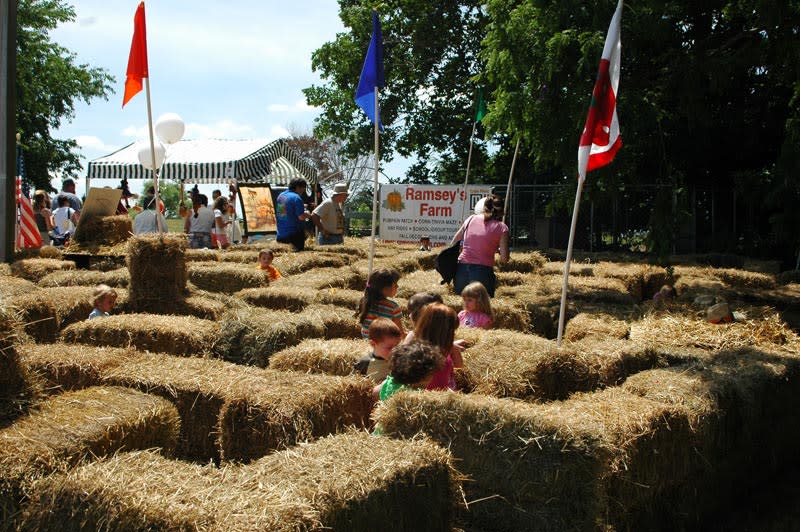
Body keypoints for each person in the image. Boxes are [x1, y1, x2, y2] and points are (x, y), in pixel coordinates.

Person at [449, 194, 509, 298]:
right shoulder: (502, 228)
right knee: (483, 305)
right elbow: (504, 259)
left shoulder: (471, 219)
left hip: (461, 270)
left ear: (484, 207)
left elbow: (453, 242)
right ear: (501, 210)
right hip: (483, 272)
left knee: (463, 304)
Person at [414, 303, 464, 391]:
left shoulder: (447, 347)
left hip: (447, 393)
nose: (453, 334)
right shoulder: (422, 354)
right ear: (442, 331)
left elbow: (460, 369)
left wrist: (454, 348)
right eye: (452, 330)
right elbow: (459, 367)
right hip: (440, 394)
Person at [378, 340, 445, 402]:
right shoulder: (413, 398)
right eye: (431, 374)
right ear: (420, 378)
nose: (432, 377)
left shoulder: (391, 382)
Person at [354, 318, 403, 388]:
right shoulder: (364, 363)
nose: (394, 350)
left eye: (397, 346)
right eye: (389, 348)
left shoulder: (399, 361)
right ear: (373, 344)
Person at [357, 267, 404, 339]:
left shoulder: (364, 302)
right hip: (385, 343)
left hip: (367, 341)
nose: (398, 286)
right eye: (395, 285)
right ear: (384, 289)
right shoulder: (393, 307)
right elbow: (399, 332)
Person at [276, 178, 311, 251]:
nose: (304, 190)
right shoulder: (297, 198)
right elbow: (301, 217)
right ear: (298, 187)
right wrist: (307, 214)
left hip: (281, 233)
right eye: (303, 188)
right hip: (294, 235)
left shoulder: (281, 196)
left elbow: (282, 213)